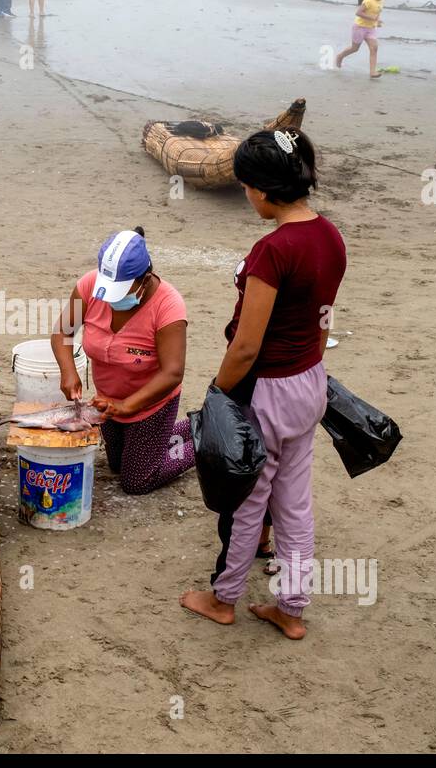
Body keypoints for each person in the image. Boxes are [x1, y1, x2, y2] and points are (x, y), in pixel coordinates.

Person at [181, 129, 347, 640]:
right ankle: (291, 607)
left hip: (268, 388)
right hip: (309, 381)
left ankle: (223, 597)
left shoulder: (273, 251)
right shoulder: (329, 236)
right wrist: (311, 371)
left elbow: (247, 344)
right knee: (294, 503)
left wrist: (217, 391)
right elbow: (322, 321)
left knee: (248, 500)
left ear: (263, 189)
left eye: (247, 187)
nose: (247, 196)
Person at [50, 228, 193, 495]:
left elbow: (173, 373)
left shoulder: (168, 306)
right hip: (108, 403)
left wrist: (127, 405)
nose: (112, 299)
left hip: (151, 403)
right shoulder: (90, 285)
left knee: (137, 480)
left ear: (145, 278)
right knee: (116, 465)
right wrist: (68, 371)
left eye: (121, 291)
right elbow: (62, 332)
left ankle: (202, 438)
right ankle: (186, 429)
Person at [335, 0, 388, 78]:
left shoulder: (381, 0)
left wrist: (377, 22)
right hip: (359, 27)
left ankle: (372, 72)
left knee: (374, 48)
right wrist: (372, 18)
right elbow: (358, 13)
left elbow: (377, 12)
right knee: (354, 48)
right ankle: (340, 56)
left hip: (370, 29)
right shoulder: (368, 0)